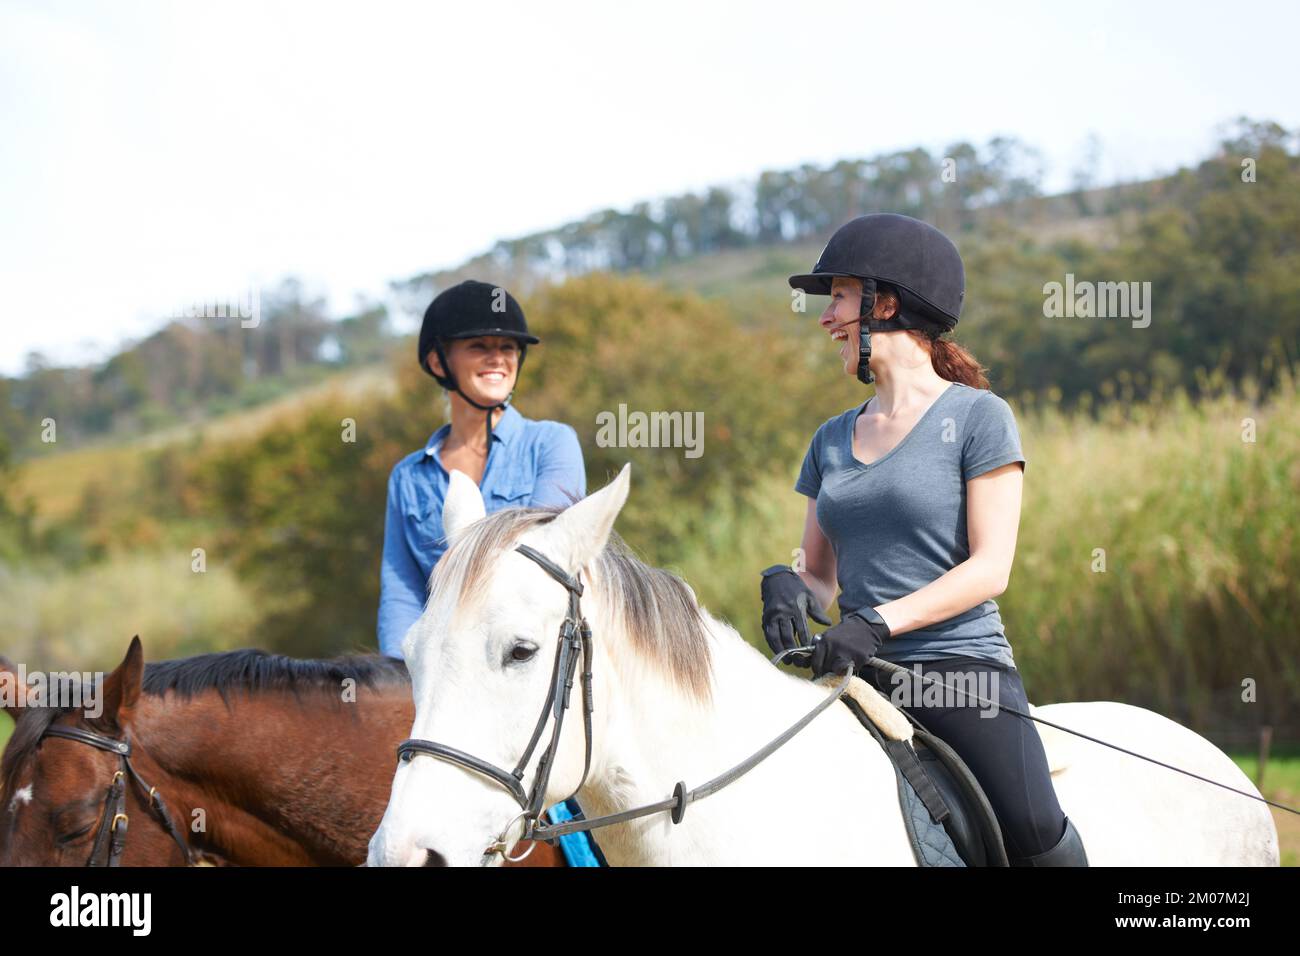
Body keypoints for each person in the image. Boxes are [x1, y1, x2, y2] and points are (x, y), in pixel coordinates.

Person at [759, 214, 1088, 866]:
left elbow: (991, 568)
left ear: (886, 303)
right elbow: (823, 578)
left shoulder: (978, 418)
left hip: (958, 673)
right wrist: (787, 583)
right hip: (858, 675)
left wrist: (878, 621)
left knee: (1030, 830)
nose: (827, 318)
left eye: (841, 298)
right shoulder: (829, 439)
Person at [378, 278, 606, 866]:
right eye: (479, 346)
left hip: (523, 661)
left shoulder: (551, 443)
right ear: (438, 361)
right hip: (441, 671)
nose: (499, 358)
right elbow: (401, 587)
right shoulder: (409, 476)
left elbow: (542, 550)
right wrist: (401, 680)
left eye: (508, 348)